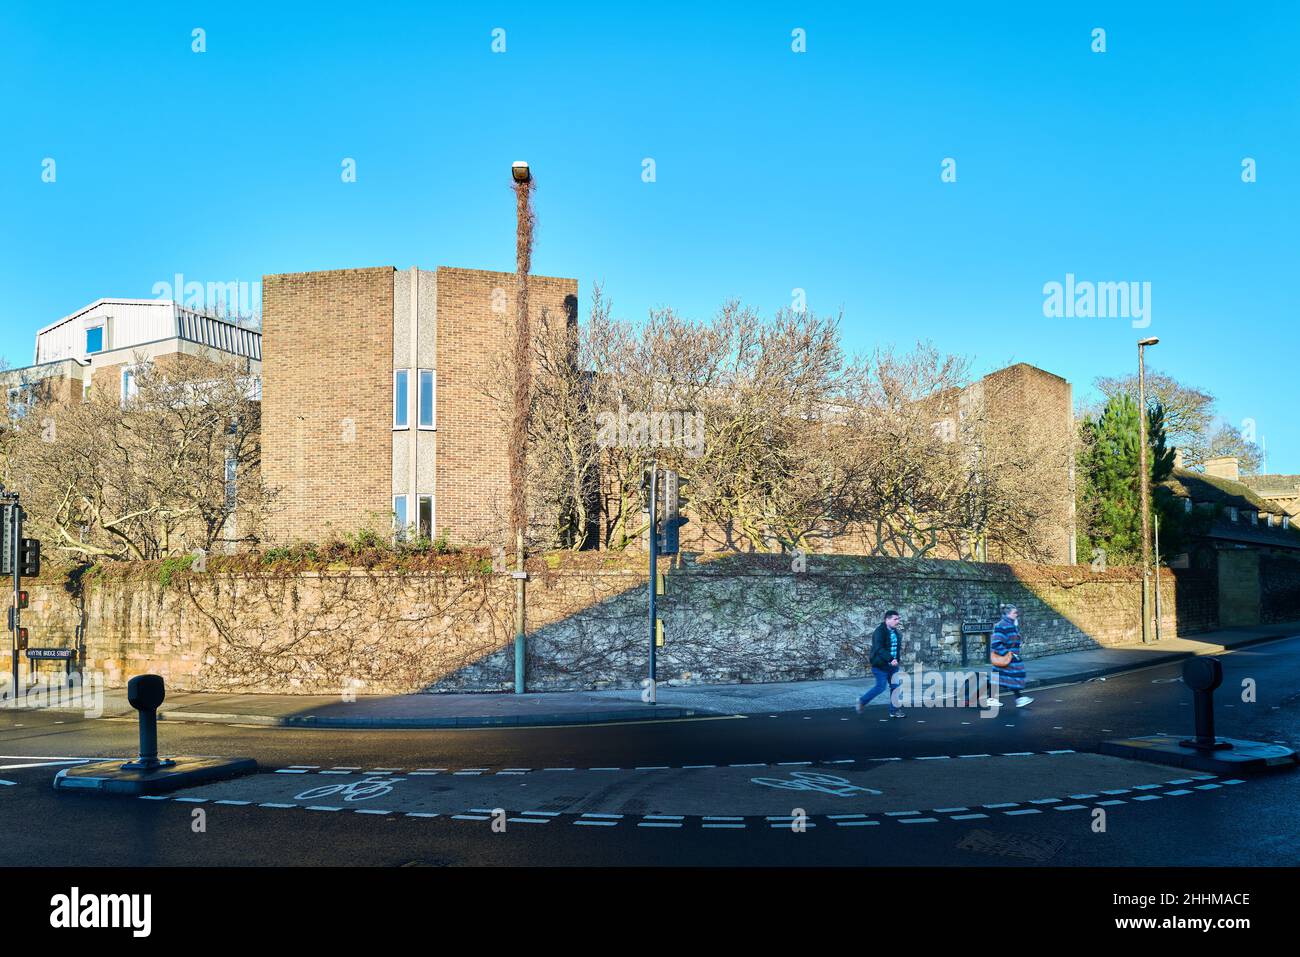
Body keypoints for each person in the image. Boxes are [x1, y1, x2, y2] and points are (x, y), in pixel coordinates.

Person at [856, 610, 905, 718]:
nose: (897, 621)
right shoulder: (879, 632)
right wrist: (891, 659)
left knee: (896, 687)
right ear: (887, 620)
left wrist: (896, 660)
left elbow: (895, 648)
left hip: (893, 667)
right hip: (880, 666)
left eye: (898, 619)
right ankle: (862, 701)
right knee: (880, 687)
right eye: (895, 619)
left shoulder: (896, 632)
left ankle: (894, 711)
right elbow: (879, 648)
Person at [989, 604, 1032, 708]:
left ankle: (1016, 698)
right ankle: (1018, 698)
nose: (1017, 614)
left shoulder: (1012, 624)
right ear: (1008, 614)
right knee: (1011, 676)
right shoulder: (1002, 625)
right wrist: (1007, 654)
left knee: (1005, 678)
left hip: (1011, 657)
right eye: (1015, 612)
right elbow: (995, 643)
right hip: (1006, 657)